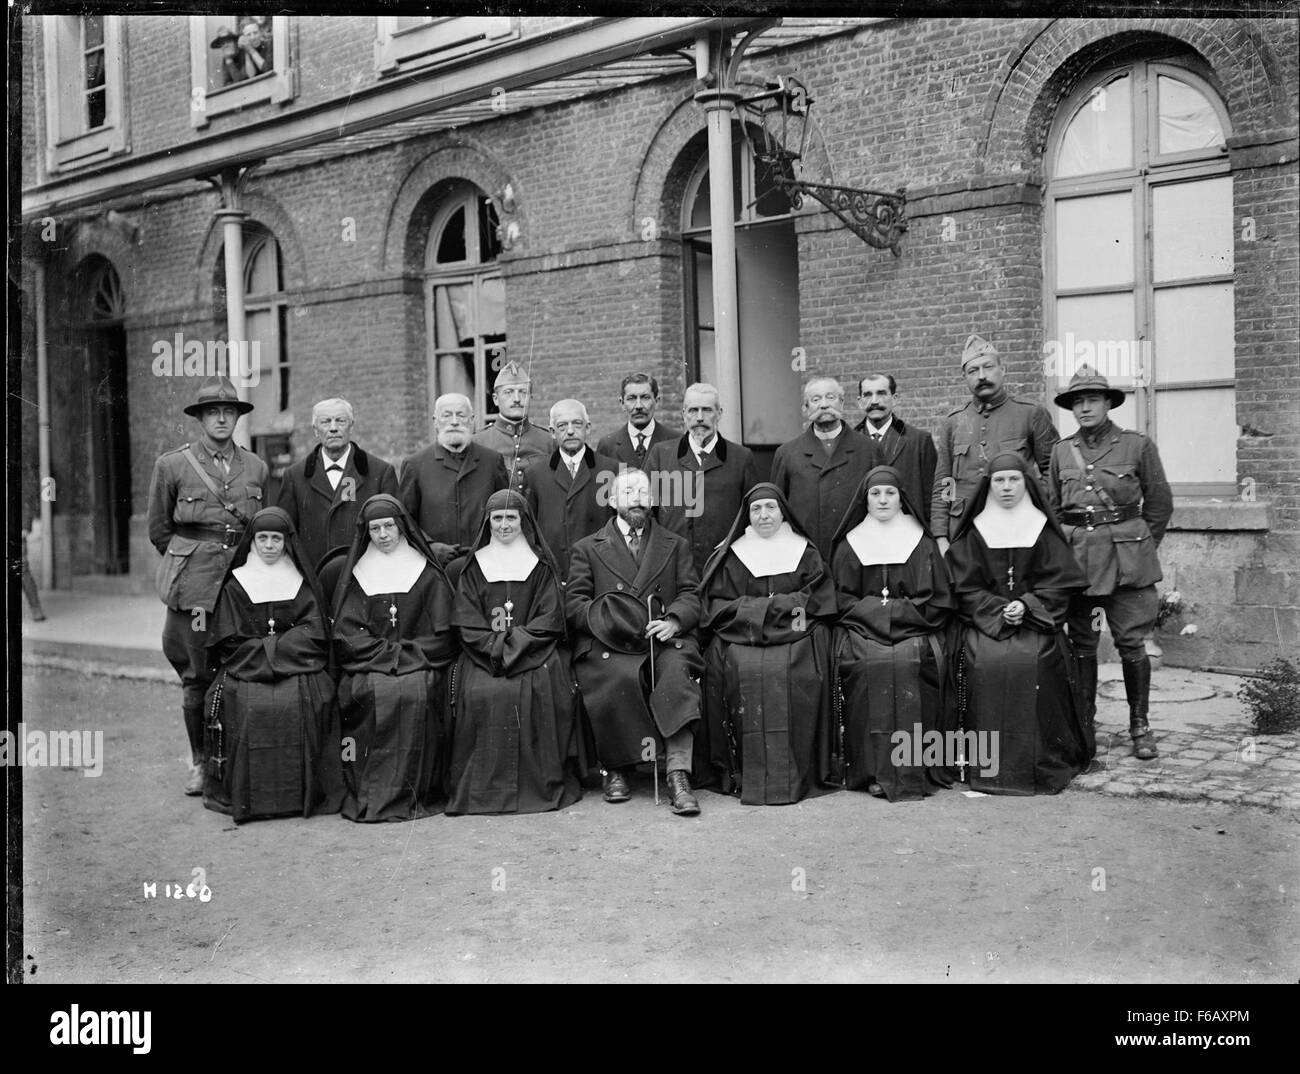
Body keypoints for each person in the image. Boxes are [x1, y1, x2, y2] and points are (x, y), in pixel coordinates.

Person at [147, 376, 269, 795]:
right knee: (196, 675)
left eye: (229, 411)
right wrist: (195, 561)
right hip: (195, 589)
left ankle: (234, 758)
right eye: (213, 412)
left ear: (237, 417)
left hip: (239, 582)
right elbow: (160, 531)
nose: (221, 418)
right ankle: (199, 761)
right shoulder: (173, 465)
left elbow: (261, 526)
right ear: (200, 419)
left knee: (242, 666)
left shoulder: (255, 467)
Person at [1048, 365, 1174, 760]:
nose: (1084, 408)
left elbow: (1159, 504)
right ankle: (1086, 724)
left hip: (1126, 562)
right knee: (1082, 643)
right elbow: (1054, 509)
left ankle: (1140, 725)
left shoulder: (1136, 446)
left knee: (1131, 643)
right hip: (1079, 562)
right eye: (1077, 401)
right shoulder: (1060, 451)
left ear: (1107, 403)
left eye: (1092, 400)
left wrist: (1138, 546)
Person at [946, 454, 1090, 795]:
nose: (1007, 487)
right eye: (999, 481)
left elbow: (1060, 584)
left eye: (1014, 480)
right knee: (986, 661)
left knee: (1038, 659)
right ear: (989, 485)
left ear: (1026, 484)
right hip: (986, 623)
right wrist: (998, 608)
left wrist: (1026, 605)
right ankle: (985, 763)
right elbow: (963, 587)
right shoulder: (975, 531)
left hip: (1036, 623)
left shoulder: (1042, 528)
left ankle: (1039, 761)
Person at [566, 469, 704, 815]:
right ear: (612, 501)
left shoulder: (675, 545)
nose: (637, 498)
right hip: (610, 642)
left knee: (675, 672)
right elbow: (574, 603)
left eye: (643, 492)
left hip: (662, 639)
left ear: (653, 500)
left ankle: (677, 773)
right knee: (614, 676)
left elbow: (690, 593)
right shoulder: (588, 548)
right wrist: (606, 620)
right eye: (628, 492)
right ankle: (618, 768)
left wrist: (674, 620)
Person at [202, 507, 344, 823]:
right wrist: (276, 652)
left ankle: (301, 795)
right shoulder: (236, 584)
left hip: (293, 667)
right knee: (249, 706)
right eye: (262, 538)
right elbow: (230, 641)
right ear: (252, 541)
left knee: (306, 700)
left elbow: (314, 632)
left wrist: (269, 651)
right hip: (248, 668)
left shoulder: (300, 581)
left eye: (276, 538)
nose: (269, 545)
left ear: (286, 542)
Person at [698, 483, 837, 804]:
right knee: (735, 666)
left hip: (796, 637)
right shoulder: (732, 554)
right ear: (747, 516)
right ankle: (741, 773)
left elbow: (817, 602)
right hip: (744, 638)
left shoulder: (805, 551)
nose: (764, 516)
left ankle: (798, 773)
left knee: (798, 667)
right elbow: (717, 608)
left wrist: (759, 612)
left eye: (770, 508)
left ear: (782, 511)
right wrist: (777, 612)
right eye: (756, 509)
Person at [447, 490, 583, 814]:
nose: (504, 525)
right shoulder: (474, 567)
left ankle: (536, 787)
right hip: (483, 655)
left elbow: (549, 618)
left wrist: (512, 645)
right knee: (480, 692)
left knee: (540, 688)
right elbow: (467, 622)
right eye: (497, 518)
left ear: (523, 521)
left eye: (511, 518)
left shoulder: (541, 567)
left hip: (533, 652)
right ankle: (480, 792)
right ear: (487, 521)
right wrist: (495, 648)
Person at [829, 466, 955, 801]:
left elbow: (936, 601)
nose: (883, 500)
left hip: (916, 630)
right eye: (875, 494)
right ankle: (871, 771)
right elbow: (841, 600)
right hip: (864, 633)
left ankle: (916, 770)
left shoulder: (922, 543)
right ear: (865, 500)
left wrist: (889, 616)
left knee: (908, 662)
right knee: (870, 663)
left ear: (902, 500)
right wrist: (882, 617)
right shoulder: (851, 544)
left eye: (890, 493)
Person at [331, 494, 458, 822]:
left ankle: (420, 791)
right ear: (367, 532)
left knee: (421, 691)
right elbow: (348, 635)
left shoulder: (426, 573)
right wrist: (391, 657)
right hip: (370, 665)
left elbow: (443, 635)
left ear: (402, 528)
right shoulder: (357, 575)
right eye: (375, 528)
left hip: (420, 663)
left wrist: (403, 656)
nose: (383, 534)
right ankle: (373, 793)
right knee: (370, 693)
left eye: (389, 526)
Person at [930, 334, 1059, 553]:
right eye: (973, 371)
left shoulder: (1030, 413)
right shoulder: (953, 422)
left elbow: (1053, 472)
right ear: (964, 377)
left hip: (1018, 528)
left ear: (1003, 370)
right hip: (964, 530)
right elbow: (945, 483)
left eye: (988, 367)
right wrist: (941, 536)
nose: (982, 376)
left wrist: (1034, 507)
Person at [643, 382, 759, 575]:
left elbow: (751, 516)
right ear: (683, 414)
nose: (699, 418)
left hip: (724, 568)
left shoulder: (741, 458)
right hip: (672, 567)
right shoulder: (661, 455)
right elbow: (647, 512)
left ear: (719, 413)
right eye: (693, 410)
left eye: (706, 410)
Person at [276, 398, 399, 573]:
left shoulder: (379, 472)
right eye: (325, 422)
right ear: (315, 430)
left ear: (351, 426)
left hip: (365, 576)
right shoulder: (295, 476)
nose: (333, 428)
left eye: (340, 421)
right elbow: (286, 534)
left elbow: (395, 530)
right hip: (314, 578)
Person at [770, 376, 873, 562]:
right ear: (805, 408)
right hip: (805, 556)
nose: (824, 405)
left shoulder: (868, 450)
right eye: (816, 399)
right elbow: (778, 510)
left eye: (830, 397)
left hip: (856, 556)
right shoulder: (787, 453)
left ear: (842, 403)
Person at [400, 393, 510, 553]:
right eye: (446, 415)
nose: (454, 422)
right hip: (436, 567)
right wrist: (430, 547)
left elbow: (505, 512)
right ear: (435, 422)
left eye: (461, 415)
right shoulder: (415, 465)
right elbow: (405, 519)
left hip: (485, 561)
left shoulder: (492, 461)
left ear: (472, 420)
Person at [531, 399, 619, 577]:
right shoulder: (535, 474)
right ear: (552, 432)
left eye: (577, 424)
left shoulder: (611, 469)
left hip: (599, 572)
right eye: (562, 426)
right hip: (553, 575)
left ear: (588, 428)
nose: (570, 431)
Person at [853, 372, 937, 520]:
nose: (874, 401)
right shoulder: (849, 443)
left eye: (881, 393)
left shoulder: (919, 441)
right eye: (867, 395)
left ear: (895, 399)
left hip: (908, 532)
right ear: (860, 402)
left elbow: (932, 497)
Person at [472, 361, 552, 495]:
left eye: (523, 392)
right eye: (508, 392)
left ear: (531, 397)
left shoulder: (548, 441)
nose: (517, 399)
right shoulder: (477, 442)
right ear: (495, 399)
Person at [595, 373, 681, 469]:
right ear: (622, 403)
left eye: (645, 397)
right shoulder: (607, 446)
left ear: (657, 401)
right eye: (631, 399)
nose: (638, 406)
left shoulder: (676, 441)